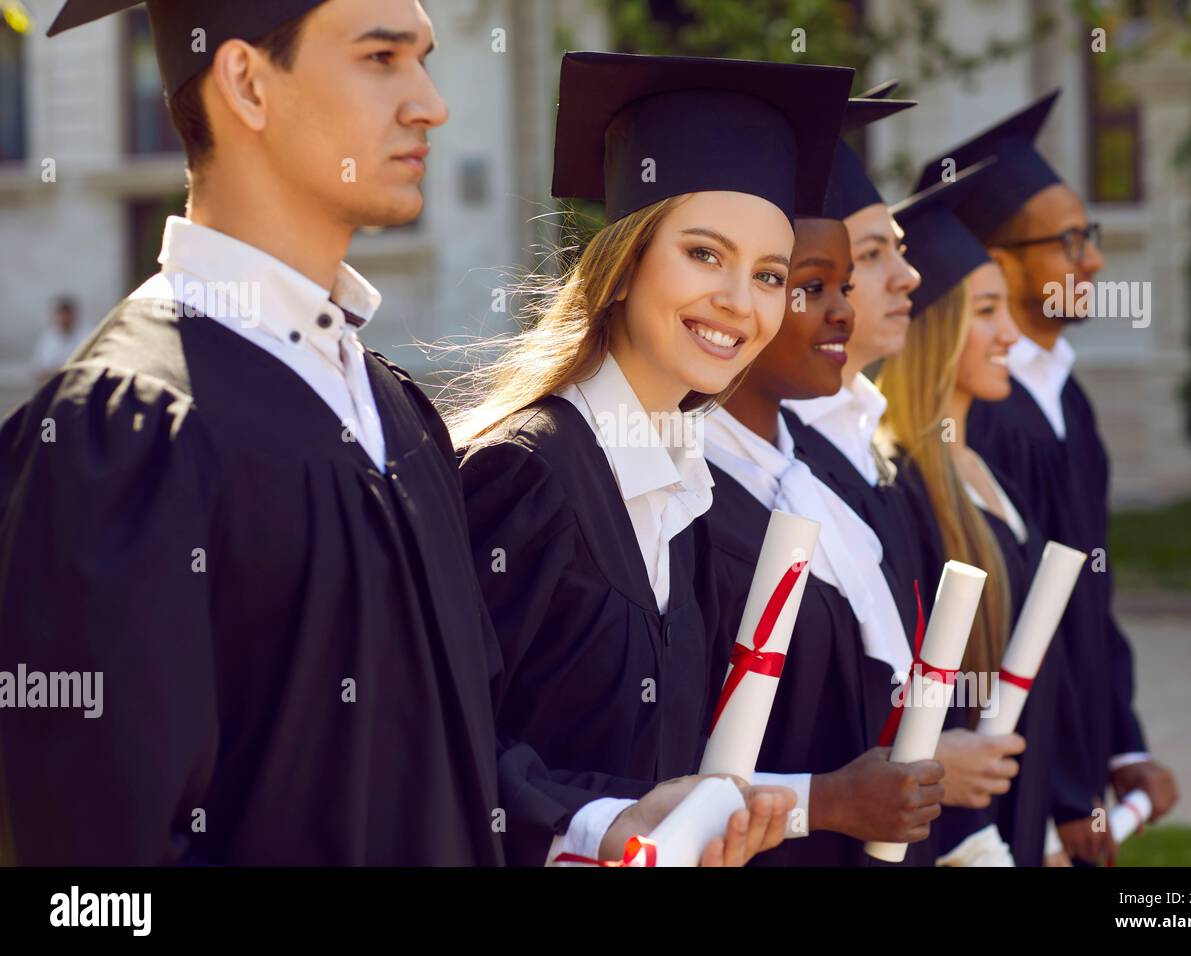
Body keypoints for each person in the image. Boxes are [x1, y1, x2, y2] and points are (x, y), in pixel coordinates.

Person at [0, 1, 788, 867]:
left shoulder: (391, 412)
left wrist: (597, 824)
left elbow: (452, 759)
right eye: (382, 57)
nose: (430, 103)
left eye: (424, 58)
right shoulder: (128, 427)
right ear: (246, 85)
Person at [451, 51, 854, 866]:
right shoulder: (529, 475)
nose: (740, 304)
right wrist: (604, 824)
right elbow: (442, 736)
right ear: (628, 260)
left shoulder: (682, 490)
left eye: (770, 275)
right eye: (705, 254)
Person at [915, 91, 1178, 865]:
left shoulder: (1065, 396)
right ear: (998, 261)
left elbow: (1086, 600)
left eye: (1089, 235)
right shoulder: (984, 418)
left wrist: (1121, 749)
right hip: (1007, 783)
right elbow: (1012, 627)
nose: (1092, 258)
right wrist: (1067, 791)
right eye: (1069, 241)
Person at [780, 97, 1026, 847]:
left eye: (897, 249)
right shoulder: (762, 466)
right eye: (874, 253)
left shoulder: (869, 445)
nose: (908, 277)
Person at [702, 203, 945, 866]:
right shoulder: (686, 502)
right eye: (811, 286)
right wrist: (827, 800)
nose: (844, 310)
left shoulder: (815, 481)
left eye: (844, 284)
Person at [878, 163, 1063, 866]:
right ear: (933, 329)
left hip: (1016, 804)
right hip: (961, 835)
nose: (1010, 334)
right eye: (985, 312)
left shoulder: (982, 469)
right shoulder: (902, 488)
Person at [30, 297, 84, 384]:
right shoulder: (47, 339)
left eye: (68, 316)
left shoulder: (85, 334)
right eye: (62, 316)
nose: (65, 320)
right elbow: (37, 371)